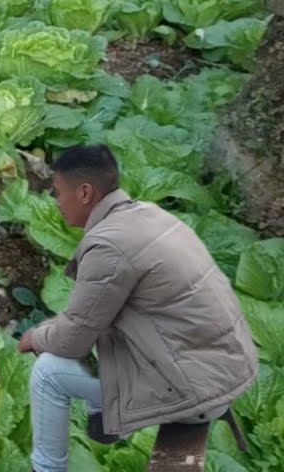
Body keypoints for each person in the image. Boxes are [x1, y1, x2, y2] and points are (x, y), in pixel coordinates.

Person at [18, 144, 258, 472]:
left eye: (59, 193)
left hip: (188, 380)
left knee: (48, 372)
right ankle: (104, 416)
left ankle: (49, 466)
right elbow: (90, 318)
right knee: (177, 459)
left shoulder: (108, 245)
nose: (56, 203)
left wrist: (36, 337)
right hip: (221, 363)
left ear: (85, 192)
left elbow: (71, 340)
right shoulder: (148, 214)